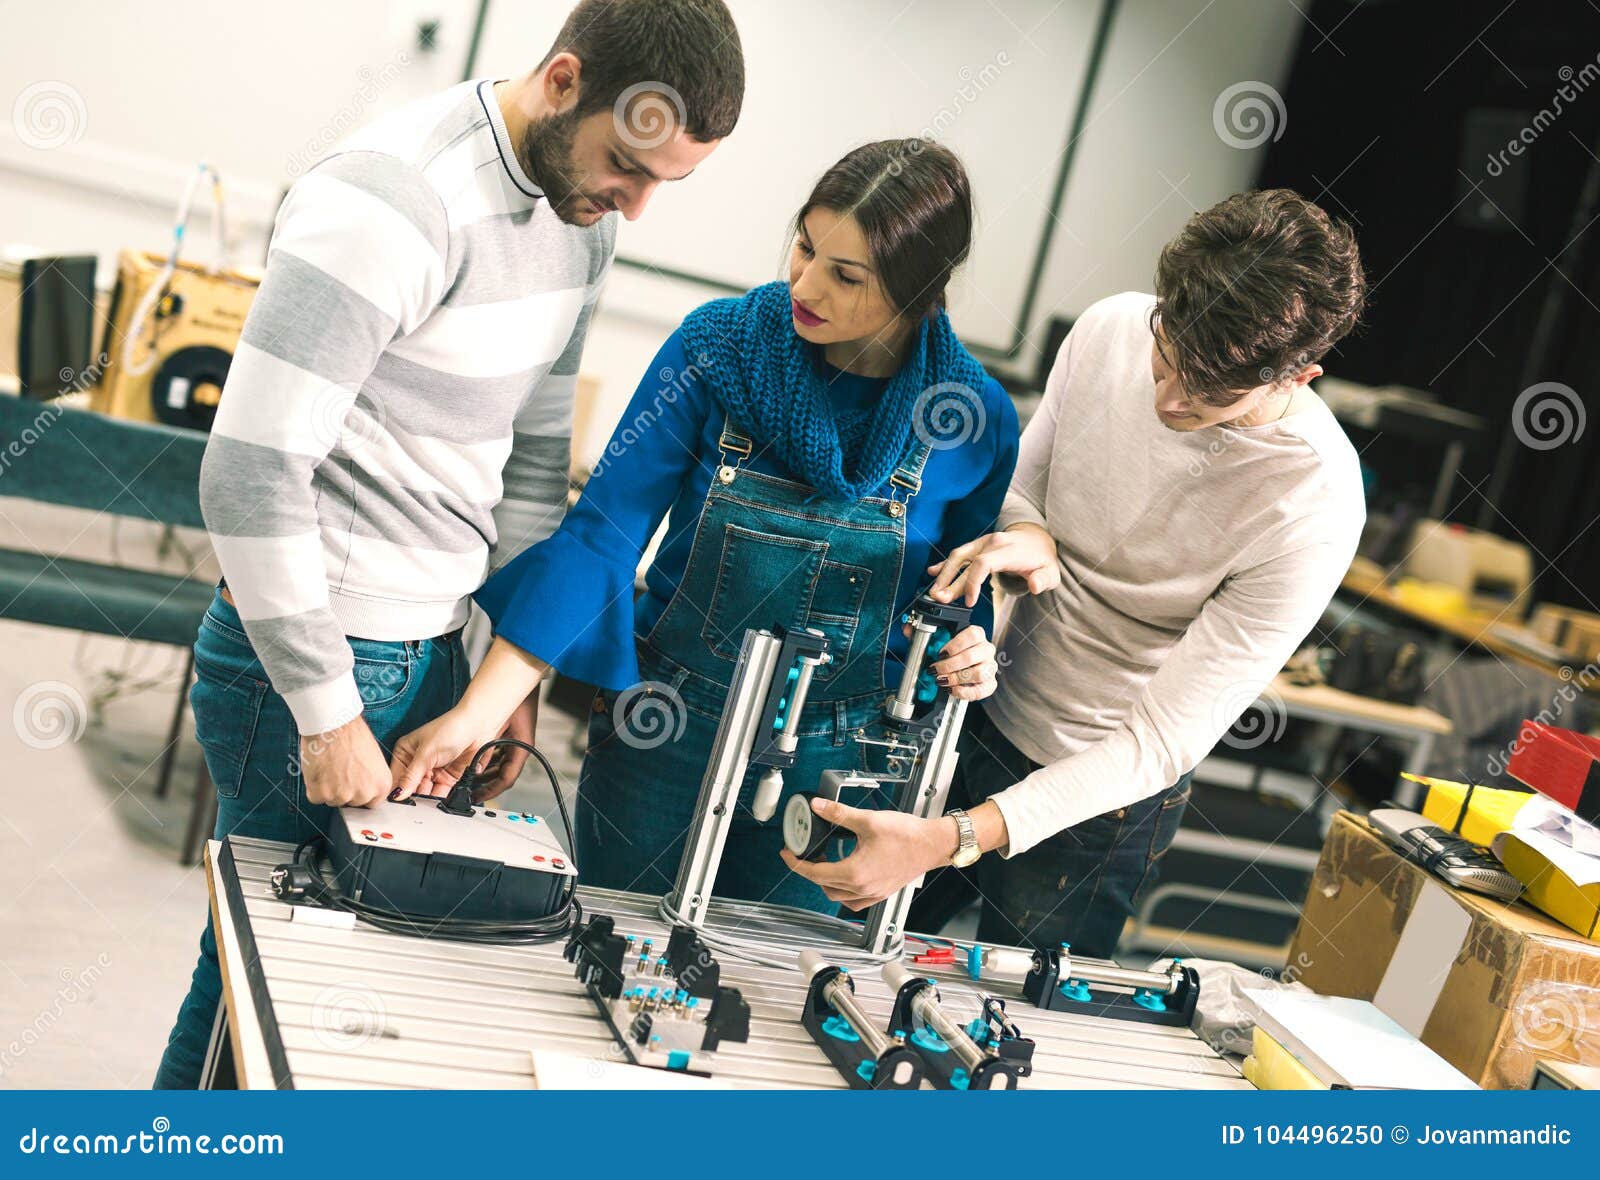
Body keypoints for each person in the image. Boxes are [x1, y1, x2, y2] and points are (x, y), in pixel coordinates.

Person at [154, 0, 746, 1088]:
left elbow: (528, 463)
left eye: (670, 182)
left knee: (329, 1001)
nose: (639, 206)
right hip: (317, 656)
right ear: (562, 80)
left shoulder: (587, 221)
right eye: (628, 164)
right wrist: (327, 708)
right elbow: (248, 470)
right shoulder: (391, 199)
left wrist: (499, 676)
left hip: (435, 651)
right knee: (263, 975)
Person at [392, 139, 1020, 912]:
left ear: (917, 291)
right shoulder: (718, 347)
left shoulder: (972, 417)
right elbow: (602, 536)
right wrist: (477, 713)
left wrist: (970, 652)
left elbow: (958, 604)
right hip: (665, 730)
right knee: (612, 952)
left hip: (837, 761)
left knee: (775, 990)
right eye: (805, 245)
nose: (805, 282)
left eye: (846, 274)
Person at [785, 189, 1368, 958]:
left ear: (1301, 376)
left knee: (1021, 1024)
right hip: (971, 720)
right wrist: (1027, 534)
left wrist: (951, 838)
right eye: (1169, 354)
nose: (1168, 398)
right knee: (852, 961)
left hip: (1103, 795)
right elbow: (1021, 487)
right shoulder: (1112, 328)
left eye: (1212, 392)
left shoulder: (1314, 504)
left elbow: (1160, 741)